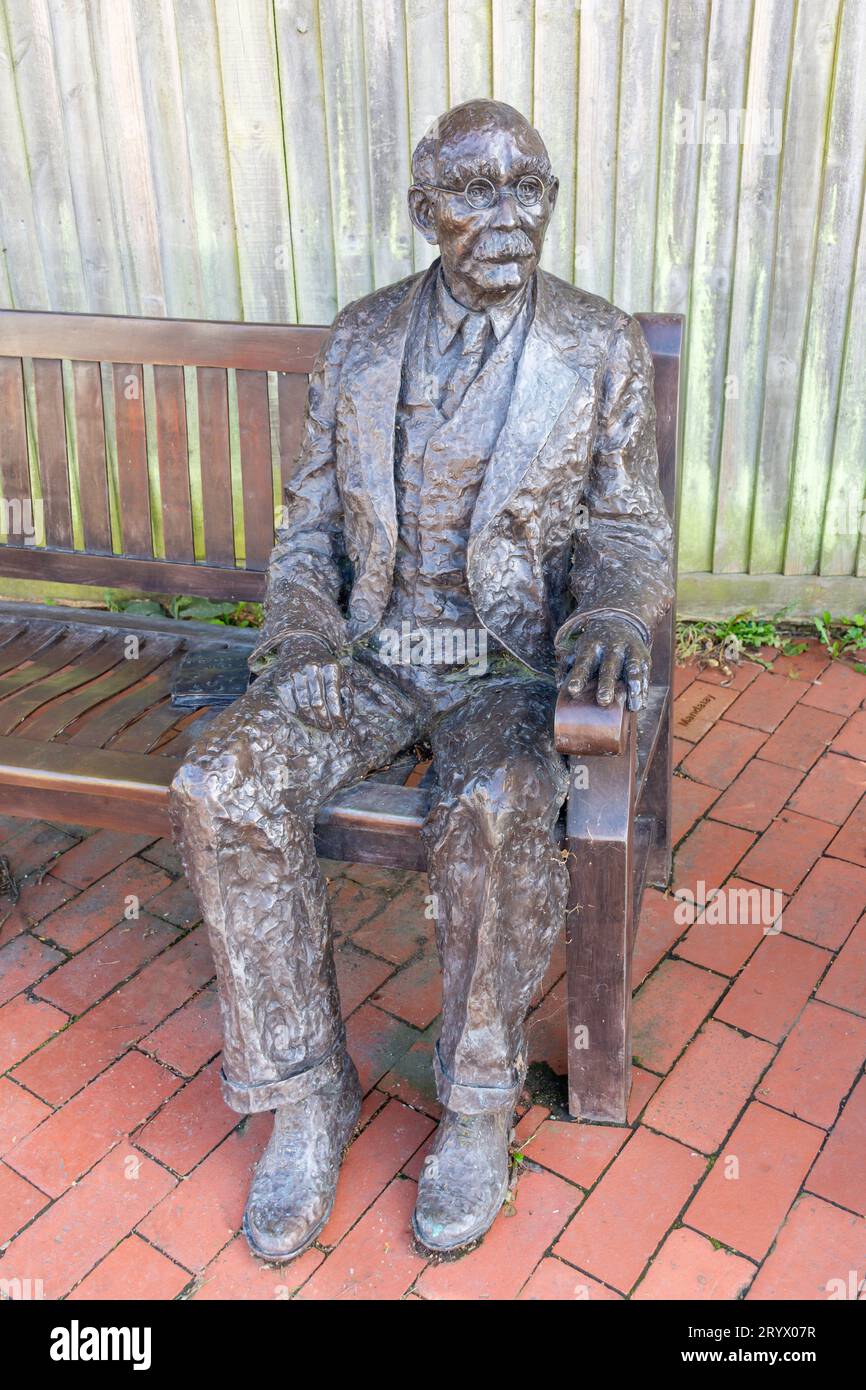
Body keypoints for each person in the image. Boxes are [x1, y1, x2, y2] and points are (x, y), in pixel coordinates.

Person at [171, 98, 673, 1261]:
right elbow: (305, 535)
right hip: (371, 649)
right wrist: (300, 637)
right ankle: (305, 1097)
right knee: (222, 785)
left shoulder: (592, 346)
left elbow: (630, 528)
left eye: (530, 189)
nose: (510, 217)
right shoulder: (357, 340)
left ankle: (480, 1100)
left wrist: (605, 608)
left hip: (508, 659)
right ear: (421, 209)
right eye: (476, 190)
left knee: (492, 811)